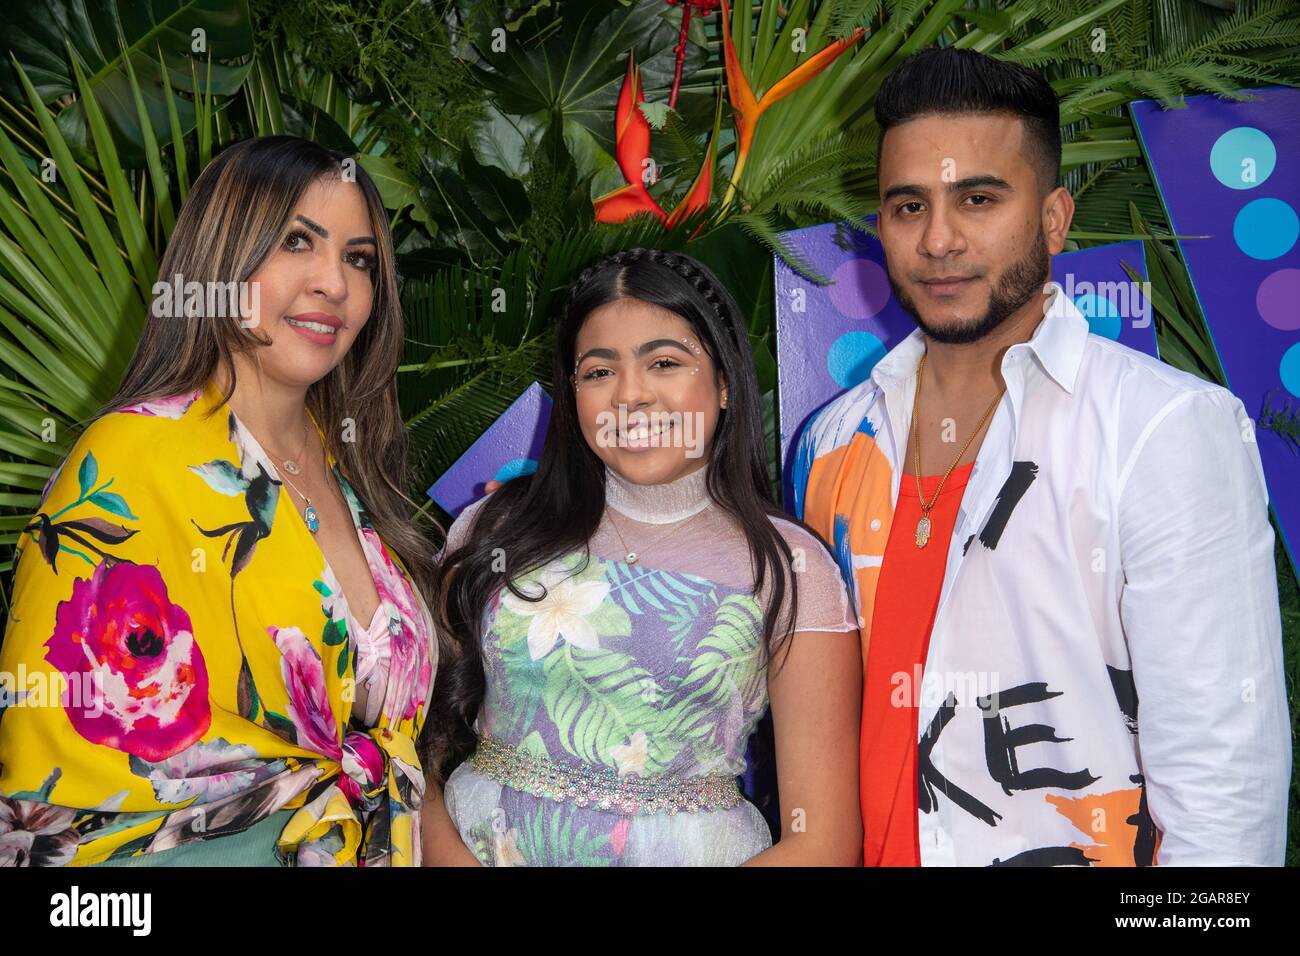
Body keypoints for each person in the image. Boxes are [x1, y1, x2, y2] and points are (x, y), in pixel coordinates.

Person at [793, 47, 1291, 866]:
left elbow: (1224, 794)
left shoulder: (1161, 428)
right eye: (909, 206)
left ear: (1055, 218)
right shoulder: (832, 442)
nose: (939, 239)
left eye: (978, 199)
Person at [0, 136, 437, 866]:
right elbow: (51, 771)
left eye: (359, 259)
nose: (335, 283)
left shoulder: (350, 464)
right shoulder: (129, 457)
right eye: (297, 241)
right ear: (220, 259)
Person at [420, 247, 862, 866]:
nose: (631, 396)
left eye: (664, 363)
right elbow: (412, 744)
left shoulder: (790, 567)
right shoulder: (495, 527)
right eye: (599, 372)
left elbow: (823, 842)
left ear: (726, 381)